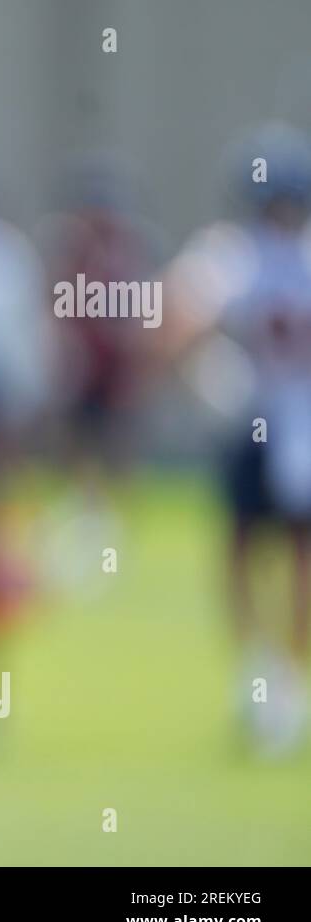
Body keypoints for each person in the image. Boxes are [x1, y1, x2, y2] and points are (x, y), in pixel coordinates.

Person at [162, 121, 311, 757]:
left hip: (291, 419)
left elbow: (173, 324)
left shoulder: (239, 253)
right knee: (250, 546)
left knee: (284, 551)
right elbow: (176, 324)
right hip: (267, 418)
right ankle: (267, 671)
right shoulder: (231, 254)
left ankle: (279, 673)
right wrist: (204, 367)